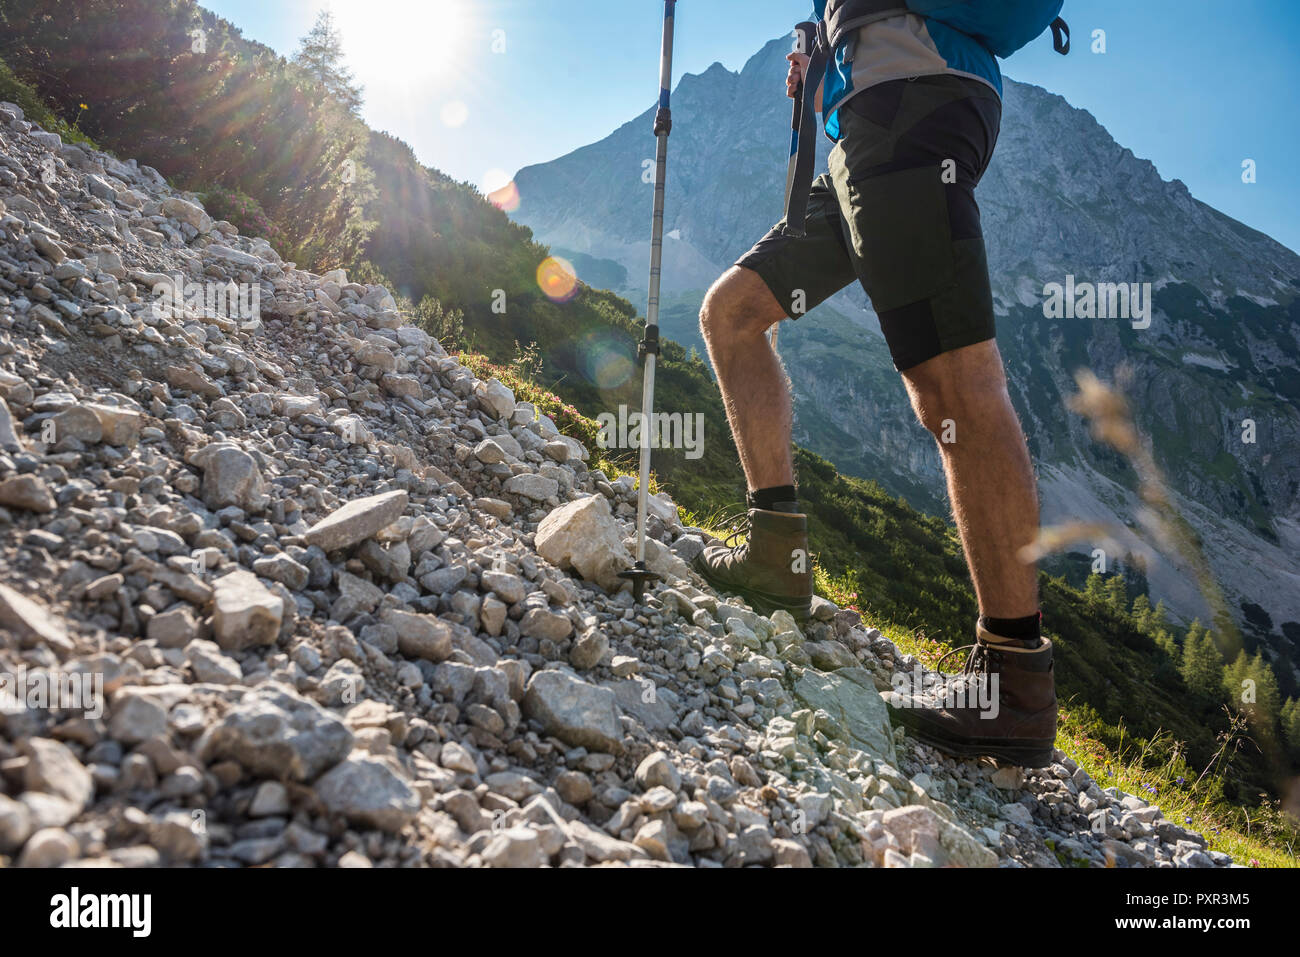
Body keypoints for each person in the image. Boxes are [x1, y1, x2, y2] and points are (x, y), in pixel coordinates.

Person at [693, 3, 1057, 767]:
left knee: (952, 386)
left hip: (911, 108)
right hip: (862, 132)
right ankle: (775, 554)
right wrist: (828, 54)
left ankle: (1013, 679)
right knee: (732, 314)